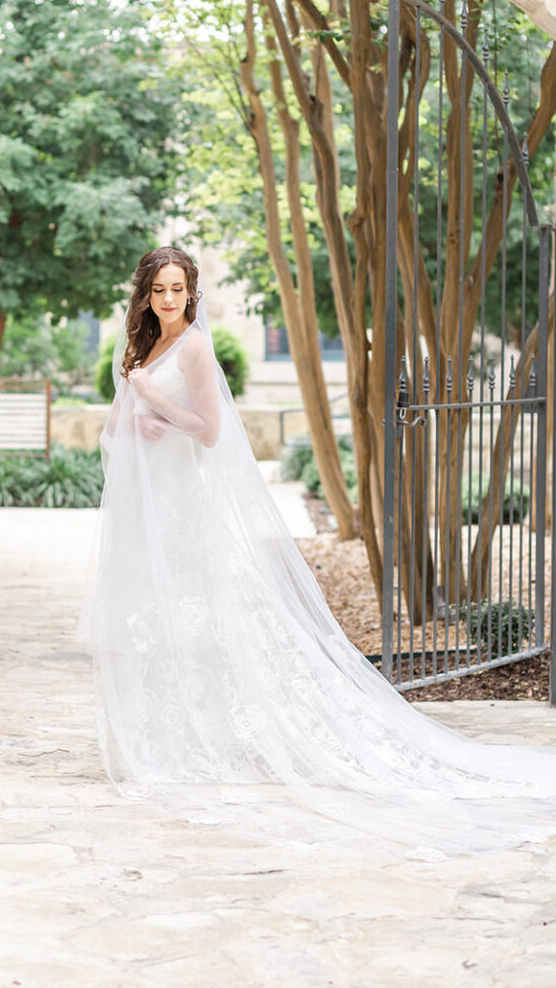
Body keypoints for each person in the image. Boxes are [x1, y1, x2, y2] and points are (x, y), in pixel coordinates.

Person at [76, 246, 556, 860]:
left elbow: (210, 429)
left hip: (181, 505)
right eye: (160, 290)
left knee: (199, 616)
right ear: (145, 295)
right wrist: (136, 419)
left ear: (192, 294)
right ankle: (162, 735)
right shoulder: (141, 351)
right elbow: (115, 427)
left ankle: (207, 735)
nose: (170, 300)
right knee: (149, 616)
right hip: (146, 507)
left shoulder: (193, 347)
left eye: (179, 290)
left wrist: (156, 404)